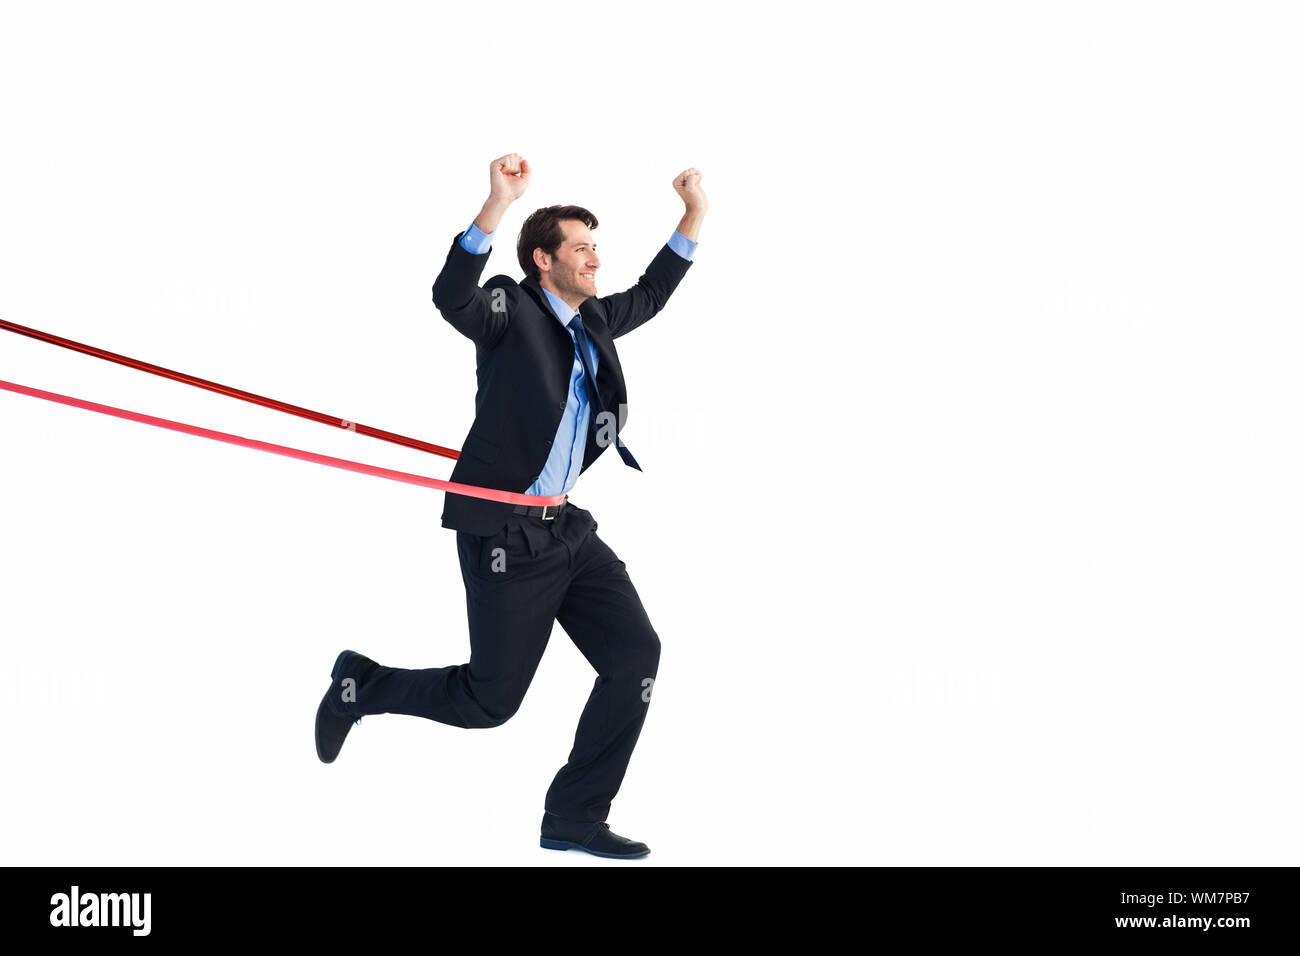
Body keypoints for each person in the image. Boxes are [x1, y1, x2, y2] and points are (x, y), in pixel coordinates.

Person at [314, 153, 707, 859]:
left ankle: (574, 817)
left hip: (567, 531)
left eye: (596, 246)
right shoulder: (510, 309)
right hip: (503, 534)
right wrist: (494, 203)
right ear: (542, 260)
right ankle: (360, 686)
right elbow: (451, 296)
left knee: (635, 656)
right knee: (488, 704)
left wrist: (693, 216)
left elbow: (652, 292)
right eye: (581, 247)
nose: (594, 258)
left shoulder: (594, 322)